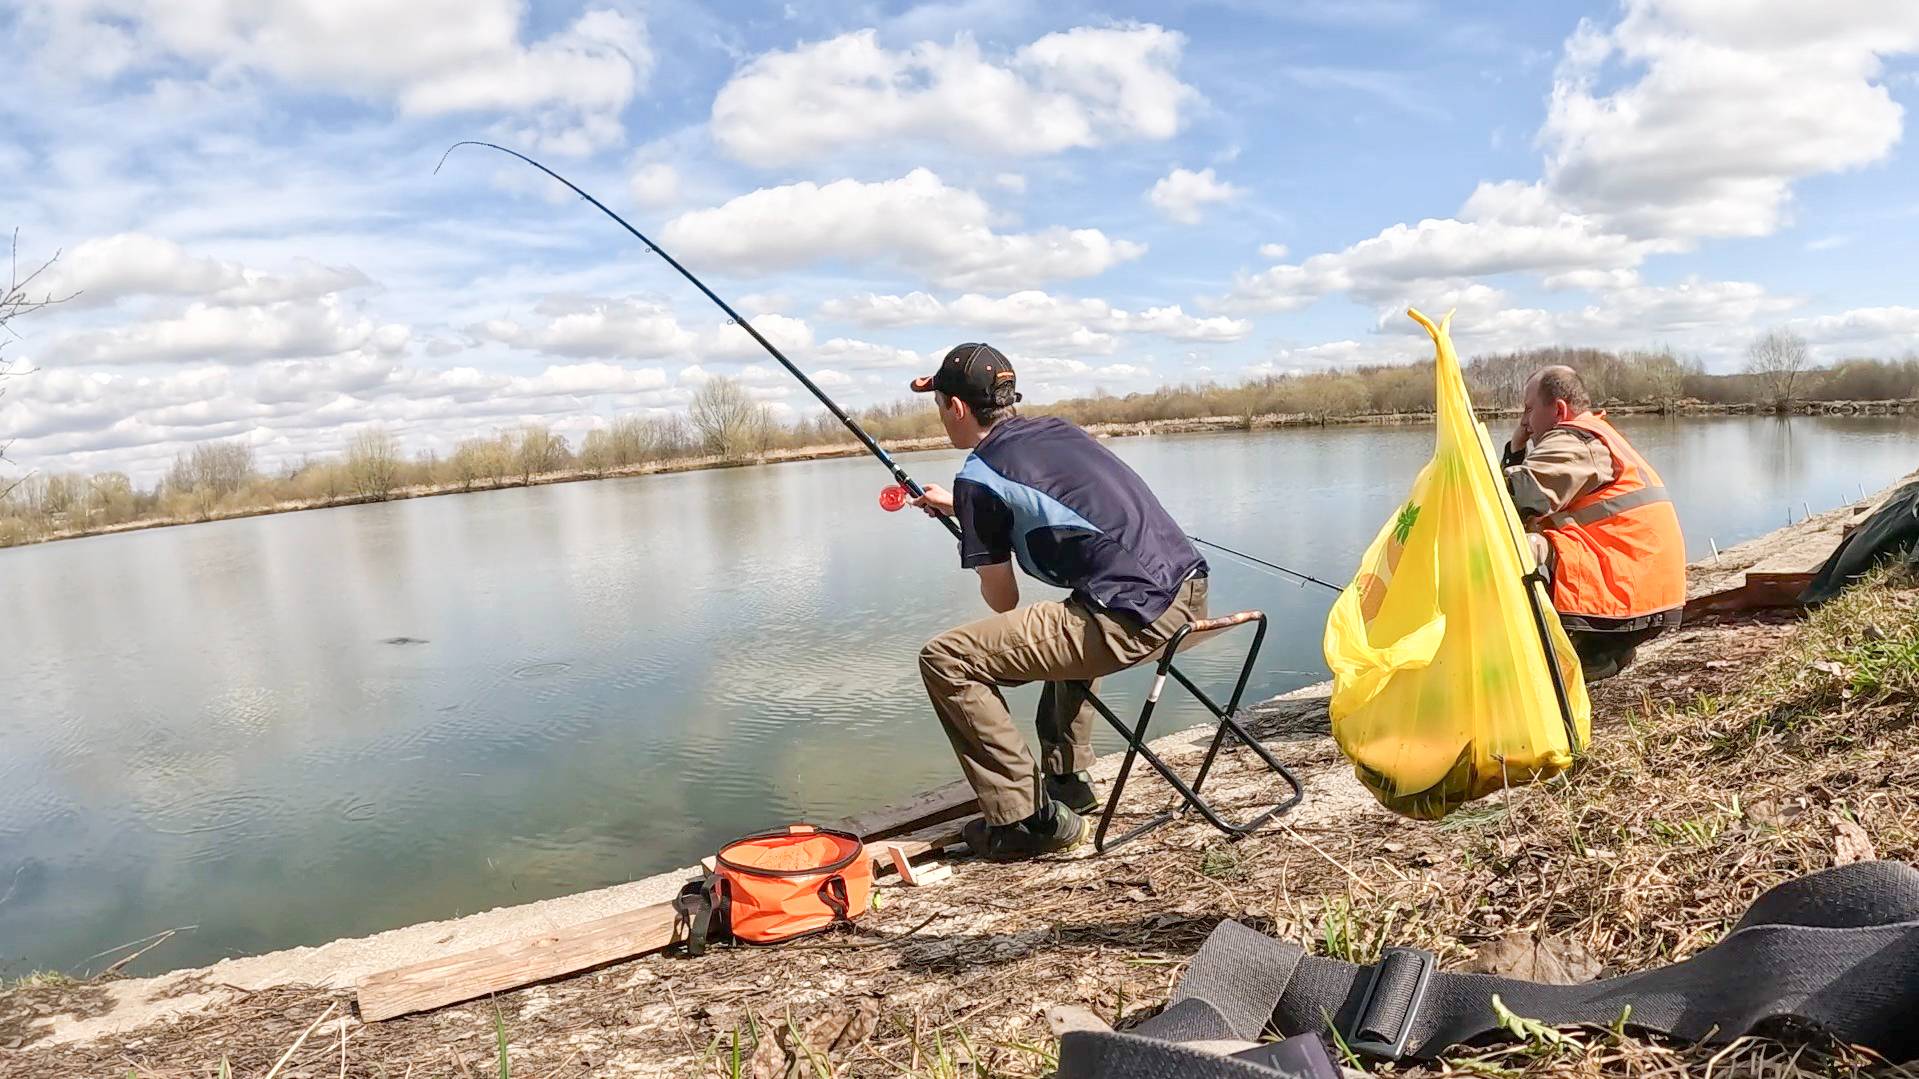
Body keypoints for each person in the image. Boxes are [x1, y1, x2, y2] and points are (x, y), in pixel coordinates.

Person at [907, 343, 1208, 861]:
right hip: (1188, 592)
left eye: (939, 404)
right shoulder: (1058, 431)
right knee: (1071, 613)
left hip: (1132, 618)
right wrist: (963, 508)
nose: (941, 416)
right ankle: (1068, 777)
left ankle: (1029, 819)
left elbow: (1003, 600)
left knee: (946, 658)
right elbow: (1052, 492)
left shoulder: (978, 477)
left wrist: (974, 537)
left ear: (956, 408)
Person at [1503, 365, 1686, 681]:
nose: (1524, 422)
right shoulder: (1598, 434)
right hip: (1644, 595)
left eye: (1529, 410)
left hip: (1623, 599)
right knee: (1535, 536)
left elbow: (1514, 502)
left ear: (1559, 409)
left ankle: (1581, 654)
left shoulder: (1574, 440)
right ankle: (1603, 651)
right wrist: (1516, 451)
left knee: (1513, 548)